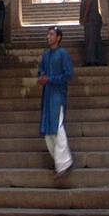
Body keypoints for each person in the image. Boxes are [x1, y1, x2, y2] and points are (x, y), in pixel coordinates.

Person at [37, 26, 74, 176]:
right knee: (48, 130)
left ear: (58, 37)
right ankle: (59, 161)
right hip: (47, 94)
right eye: (48, 34)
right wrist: (42, 76)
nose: (48, 37)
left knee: (57, 126)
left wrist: (50, 79)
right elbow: (41, 70)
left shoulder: (63, 53)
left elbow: (68, 74)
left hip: (58, 94)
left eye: (51, 34)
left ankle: (64, 163)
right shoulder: (46, 55)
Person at [79, 0, 104, 66]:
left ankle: (92, 60)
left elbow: (88, 4)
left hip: (92, 20)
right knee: (94, 40)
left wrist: (84, 17)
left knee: (91, 40)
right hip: (92, 20)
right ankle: (99, 60)